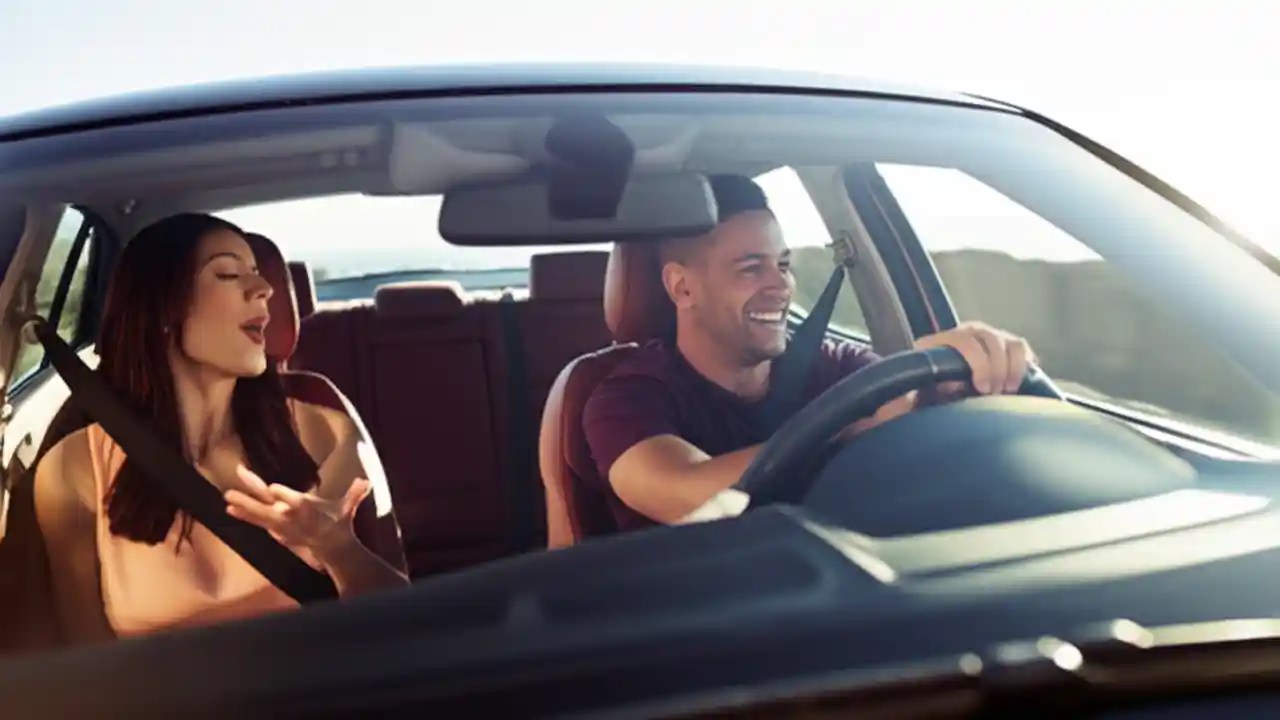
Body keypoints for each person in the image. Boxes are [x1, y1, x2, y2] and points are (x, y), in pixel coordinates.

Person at [34, 213, 408, 645]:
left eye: (258, 274)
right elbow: (86, 668)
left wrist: (339, 549)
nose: (264, 289)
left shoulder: (324, 429)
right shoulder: (73, 470)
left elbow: (401, 625)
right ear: (164, 307)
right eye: (229, 273)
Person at [583, 175, 1035, 531]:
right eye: (751, 268)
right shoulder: (624, 398)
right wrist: (854, 431)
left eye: (782, 264)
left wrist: (946, 390)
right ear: (682, 287)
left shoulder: (841, 367)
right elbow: (686, 493)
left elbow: (900, 417)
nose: (781, 286)